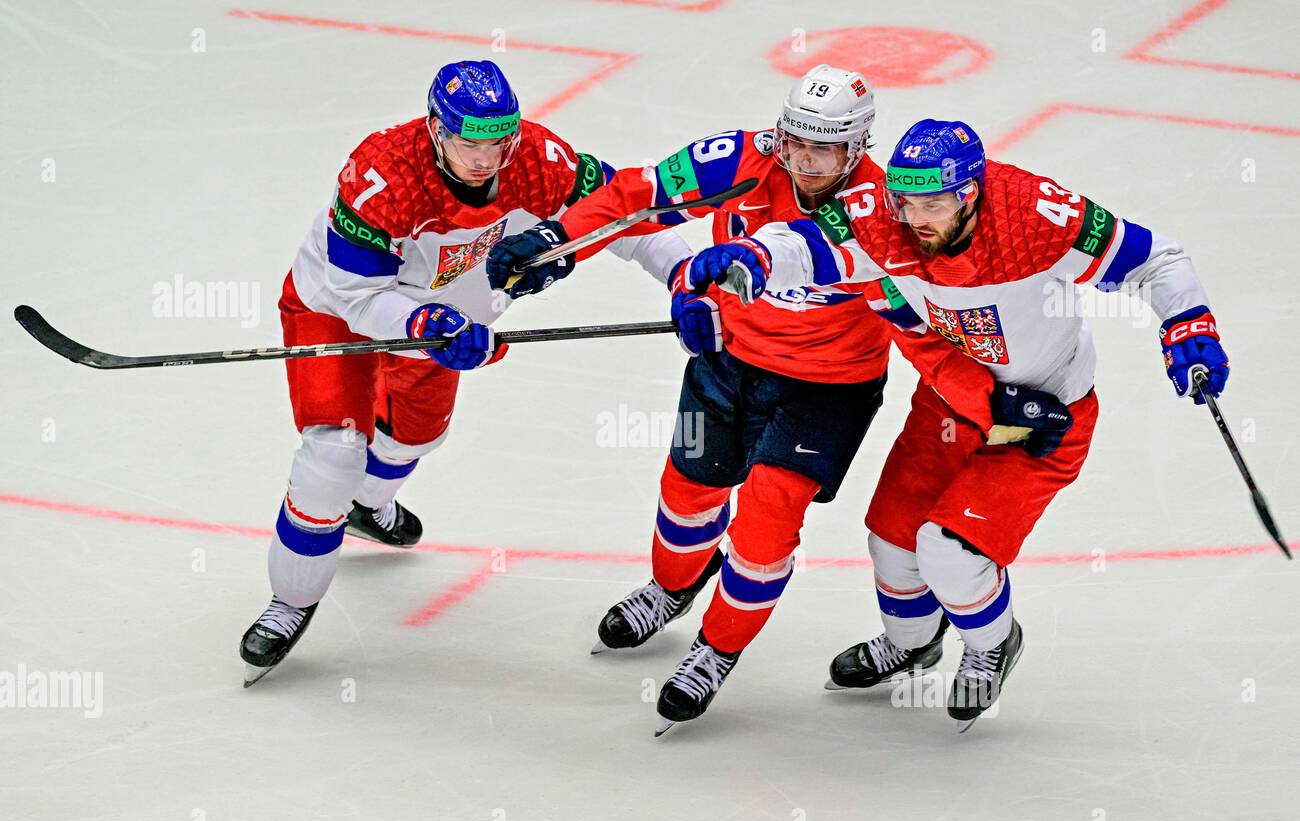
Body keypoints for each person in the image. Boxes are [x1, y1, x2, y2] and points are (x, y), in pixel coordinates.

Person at [487, 71, 1013, 735]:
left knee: (767, 520)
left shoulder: (885, 214)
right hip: (730, 362)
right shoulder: (739, 159)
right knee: (687, 491)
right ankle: (674, 585)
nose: (804, 161)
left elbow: (920, 321)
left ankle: (716, 650)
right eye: (794, 143)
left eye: (824, 149)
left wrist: (994, 400)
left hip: (829, 389)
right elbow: (634, 197)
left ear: (858, 148)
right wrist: (556, 242)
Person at [689, 118, 1230, 726]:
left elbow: (1155, 260)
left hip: (1043, 422)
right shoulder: (884, 219)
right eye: (905, 202)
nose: (916, 220)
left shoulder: (1037, 218)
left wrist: (1188, 324)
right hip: (950, 406)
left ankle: (992, 644)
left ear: (970, 193)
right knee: (891, 542)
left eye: (934, 204)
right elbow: (805, 243)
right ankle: (912, 643)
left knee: (948, 553)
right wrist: (753, 255)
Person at [241, 59, 692, 685]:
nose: (485, 160)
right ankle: (290, 601)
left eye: (497, 143)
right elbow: (356, 296)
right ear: (436, 129)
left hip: (440, 319)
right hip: (337, 310)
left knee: (416, 437)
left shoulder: (537, 159)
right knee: (333, 454)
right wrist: (427, 323)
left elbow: (624, 214)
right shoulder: (383, 175)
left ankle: (368, 505)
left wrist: (687, 278)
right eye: (467, 143)